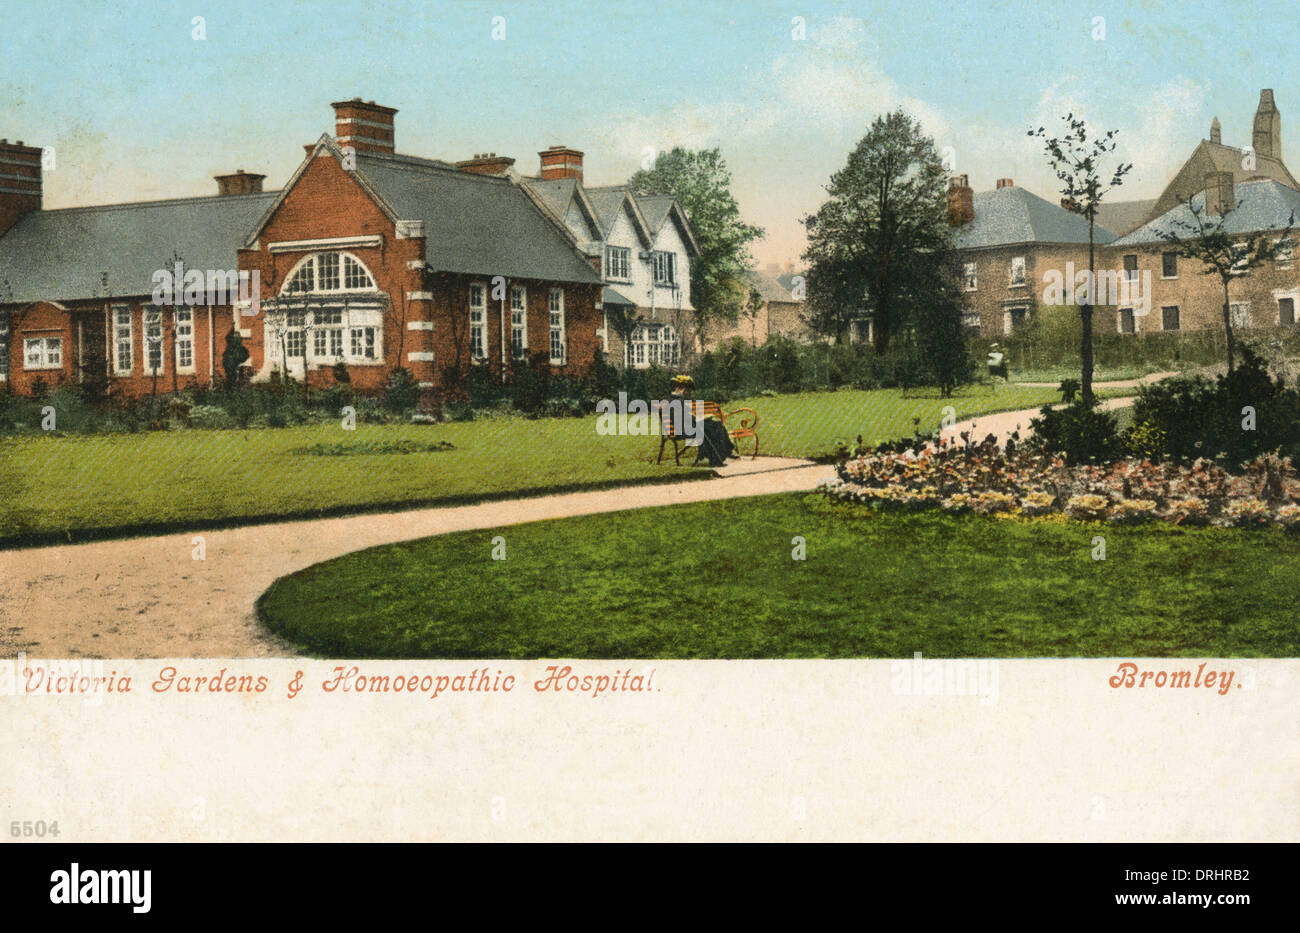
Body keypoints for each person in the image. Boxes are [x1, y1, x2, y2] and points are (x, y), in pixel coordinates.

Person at [667, 375, 735, 466]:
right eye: (687, 390)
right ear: (679, 388)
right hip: (683, 430)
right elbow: (686, 419)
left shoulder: (674, 399)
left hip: (685, 427)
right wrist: (701, 419)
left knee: (714, 425)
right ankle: (723, 454)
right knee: (714, 426)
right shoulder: (676, 401)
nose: (687, 392)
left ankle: (719, 455)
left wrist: (700, 419)